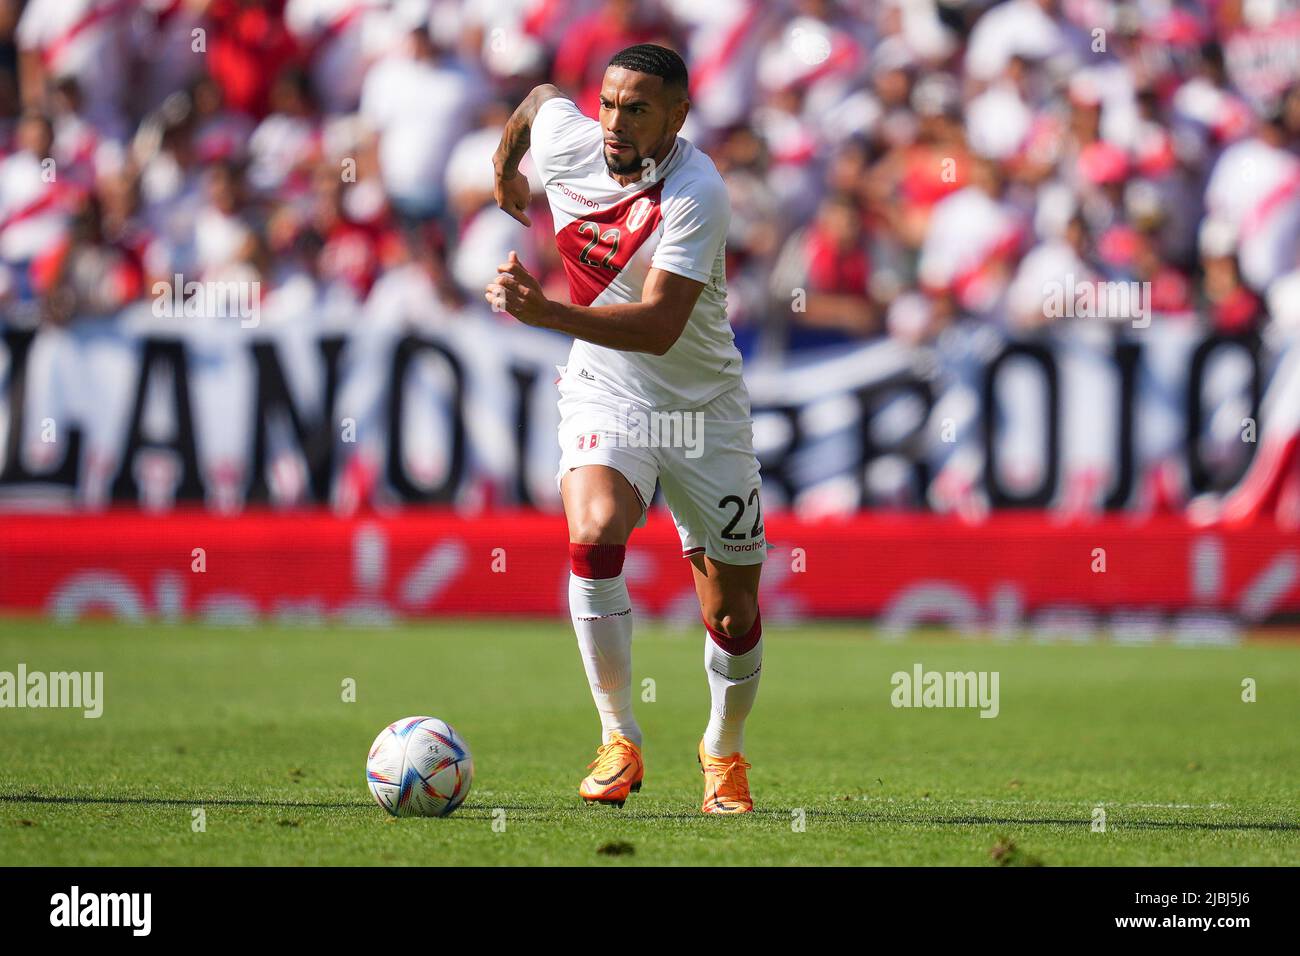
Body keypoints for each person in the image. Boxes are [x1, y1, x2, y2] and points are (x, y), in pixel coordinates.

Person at [486, 44, 766, 814]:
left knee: (732, 615)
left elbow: (660, 326)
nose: (614, 121)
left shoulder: (697, 190)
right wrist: (506, 168)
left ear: (678, 116)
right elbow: (538, 98)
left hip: (703, 411)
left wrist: (544, 314)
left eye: (637, 108)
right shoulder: (571, 139)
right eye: (608, 102)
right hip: (607, 391)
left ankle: (723, 753)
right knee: (597, 527)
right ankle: (619, 737)